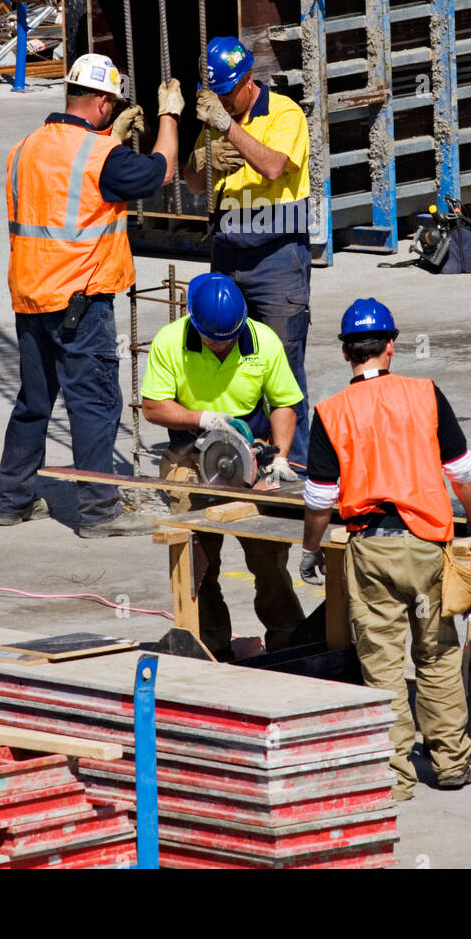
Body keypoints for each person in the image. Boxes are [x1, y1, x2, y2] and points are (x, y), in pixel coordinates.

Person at [298, 298, 471, 801]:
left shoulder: (331, 412)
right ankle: (451, 764)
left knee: (382, 664)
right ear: (391, 345)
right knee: (438, 655)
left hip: (373, 551)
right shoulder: (425, 393)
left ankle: (395, 779)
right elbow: (462, 469)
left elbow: (320, 498)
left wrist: (310, 549)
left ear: (347, 354)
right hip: (429, 545)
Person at [0, 52, 184, 538]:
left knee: (35, 402)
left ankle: (13, 499)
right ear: (102, 102)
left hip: (30, 296)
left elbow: (63, 192)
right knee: (96, 404)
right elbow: (160, 170)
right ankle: (99, 510)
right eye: (112, 104)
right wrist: (169, 115)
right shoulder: (102, 156)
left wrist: (111, 139)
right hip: (81, 301)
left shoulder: (24, 148)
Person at [141, 272, 306, 660]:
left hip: (251, 453)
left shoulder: (262, 340)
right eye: (213, 338)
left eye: (228, 337)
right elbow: (152, 407)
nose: (221, 344)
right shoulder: (170, 341)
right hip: (190, 450)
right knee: (197, 558)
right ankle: (210, 640)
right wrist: (201, 419)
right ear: (193, 321)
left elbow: (284, 403)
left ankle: (287, 636)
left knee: (268, 557)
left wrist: (279, 455)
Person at [183, 36, 312, 471]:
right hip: (228, 256)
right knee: (235, 365)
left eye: (227, 93)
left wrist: (228, 129)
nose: (221, 101)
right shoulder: (216, 119)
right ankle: (245, 461)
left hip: (277, 259)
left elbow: (274, 166)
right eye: (215, 94)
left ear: (247, 81)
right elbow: (194, 185)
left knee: (284, 370)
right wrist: (205, 161)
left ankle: (294, 469)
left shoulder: (284, 113)